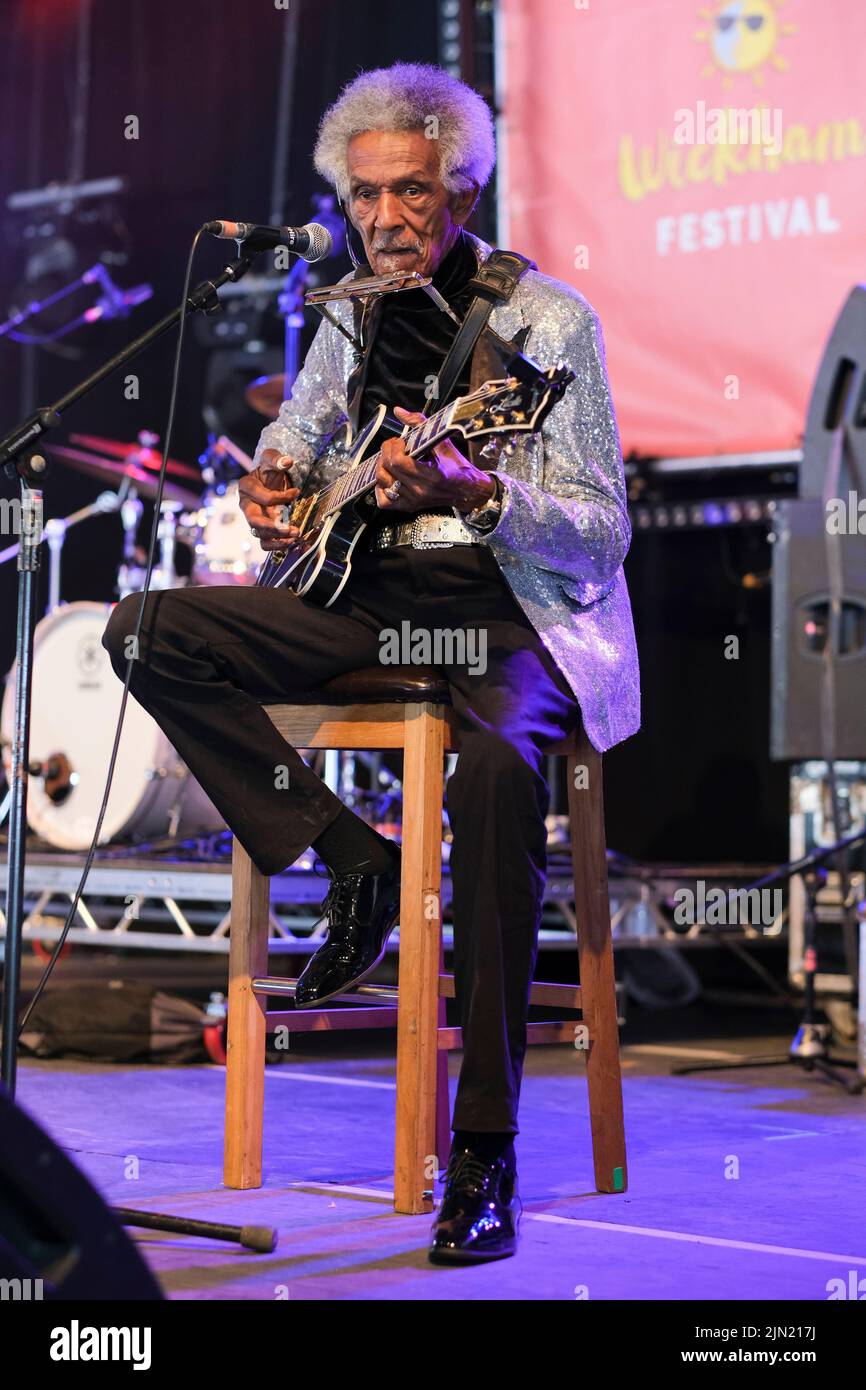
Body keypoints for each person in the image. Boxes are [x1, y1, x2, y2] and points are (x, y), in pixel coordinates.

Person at [103, 61, 639, 1264]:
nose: (384, 220)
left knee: (497, 779)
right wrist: (274, 491)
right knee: (145, 630)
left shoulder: (544, 322)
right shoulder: (345, 312)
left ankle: (483, 1151)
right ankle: (352, 863)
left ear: (459, 189)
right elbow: (290, 456)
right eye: (363, 197)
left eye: (408, 194)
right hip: (372, 607)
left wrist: (482, 488)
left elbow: (602, 529)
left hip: (510, 617)